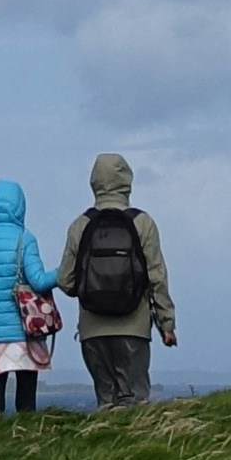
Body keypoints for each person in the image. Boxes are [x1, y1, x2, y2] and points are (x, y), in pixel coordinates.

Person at [56, 151, 176, 408]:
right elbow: (157, 278)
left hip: (92, 331)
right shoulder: (143, 223)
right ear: (127, 181)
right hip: (134, 328)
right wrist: (166, 324)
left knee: (106, 402)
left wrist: (94, 290)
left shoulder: (80, 225)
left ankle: (107, 445)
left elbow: (65, 281)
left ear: (94, 182)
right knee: (135, 404)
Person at [0, 176, 58, 418]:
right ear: (20, 206)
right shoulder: (26, 240)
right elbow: (38, 281)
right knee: (26, 405)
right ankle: (27, 449)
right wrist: (63, 273)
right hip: (24, 332)